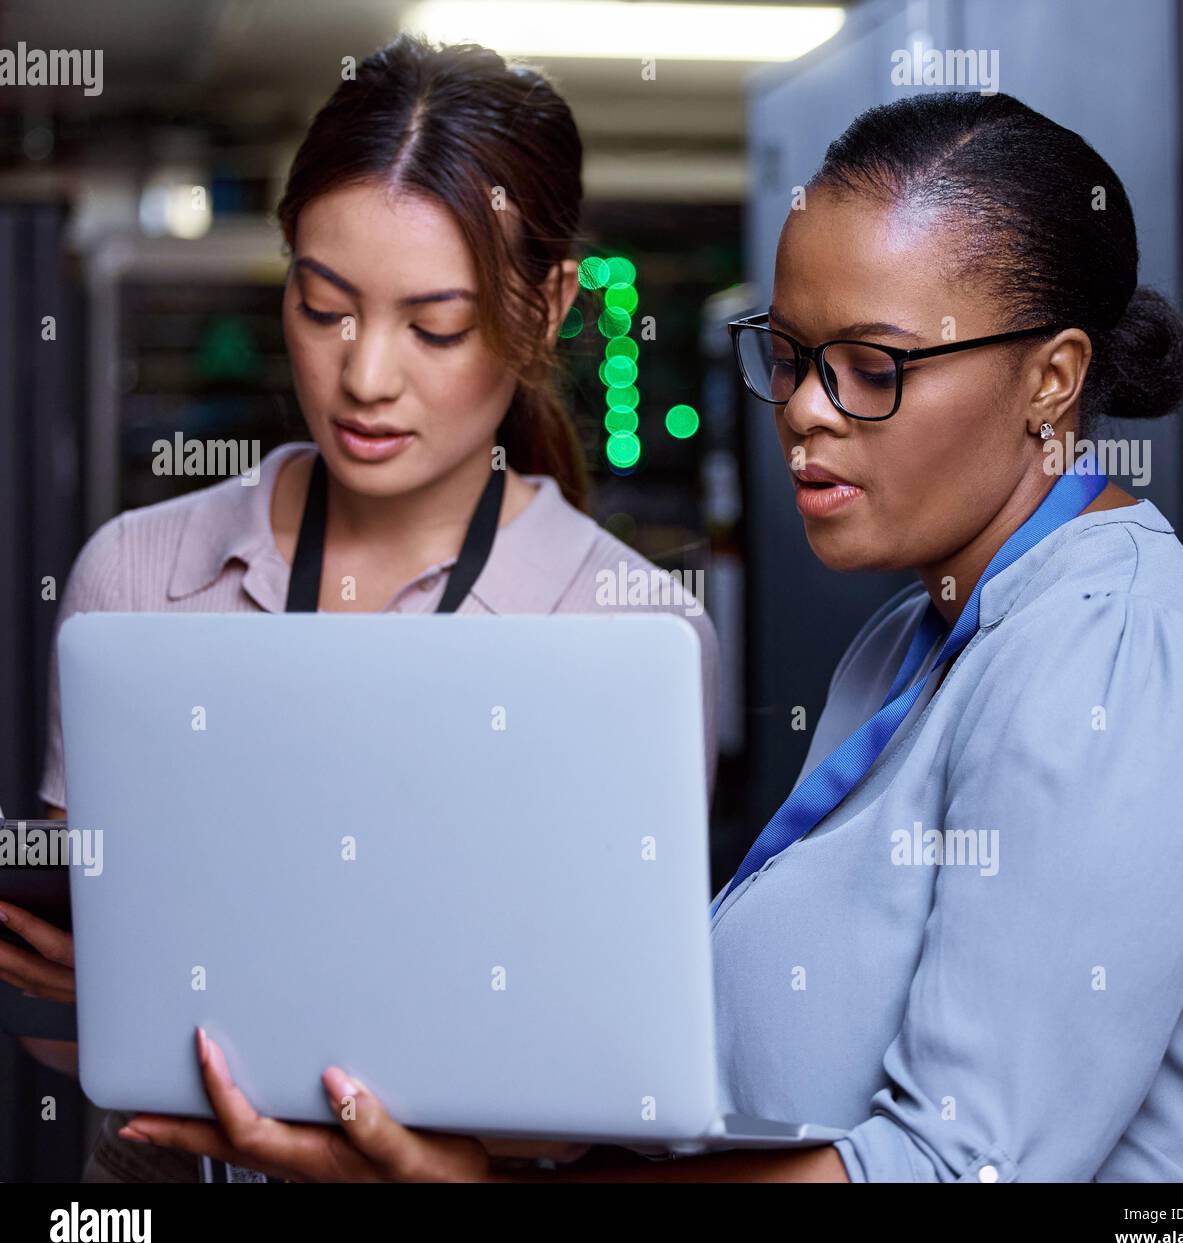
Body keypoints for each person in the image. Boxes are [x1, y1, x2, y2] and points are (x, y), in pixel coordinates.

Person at [110, 89, 1183, 1184]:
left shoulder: (1117, 665)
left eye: (870, 369)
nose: (804, 414)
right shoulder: (914, 639)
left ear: (1052, 379)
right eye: (787, 358)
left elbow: (950, 1173)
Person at [0, 35, 719, 1183]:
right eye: (325, 306)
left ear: (547, 305)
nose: (367, 374)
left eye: (435, 326)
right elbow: (64, 1029)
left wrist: (226, 982)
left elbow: (602, 1092)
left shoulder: (627, 629)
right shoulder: (137, 577)